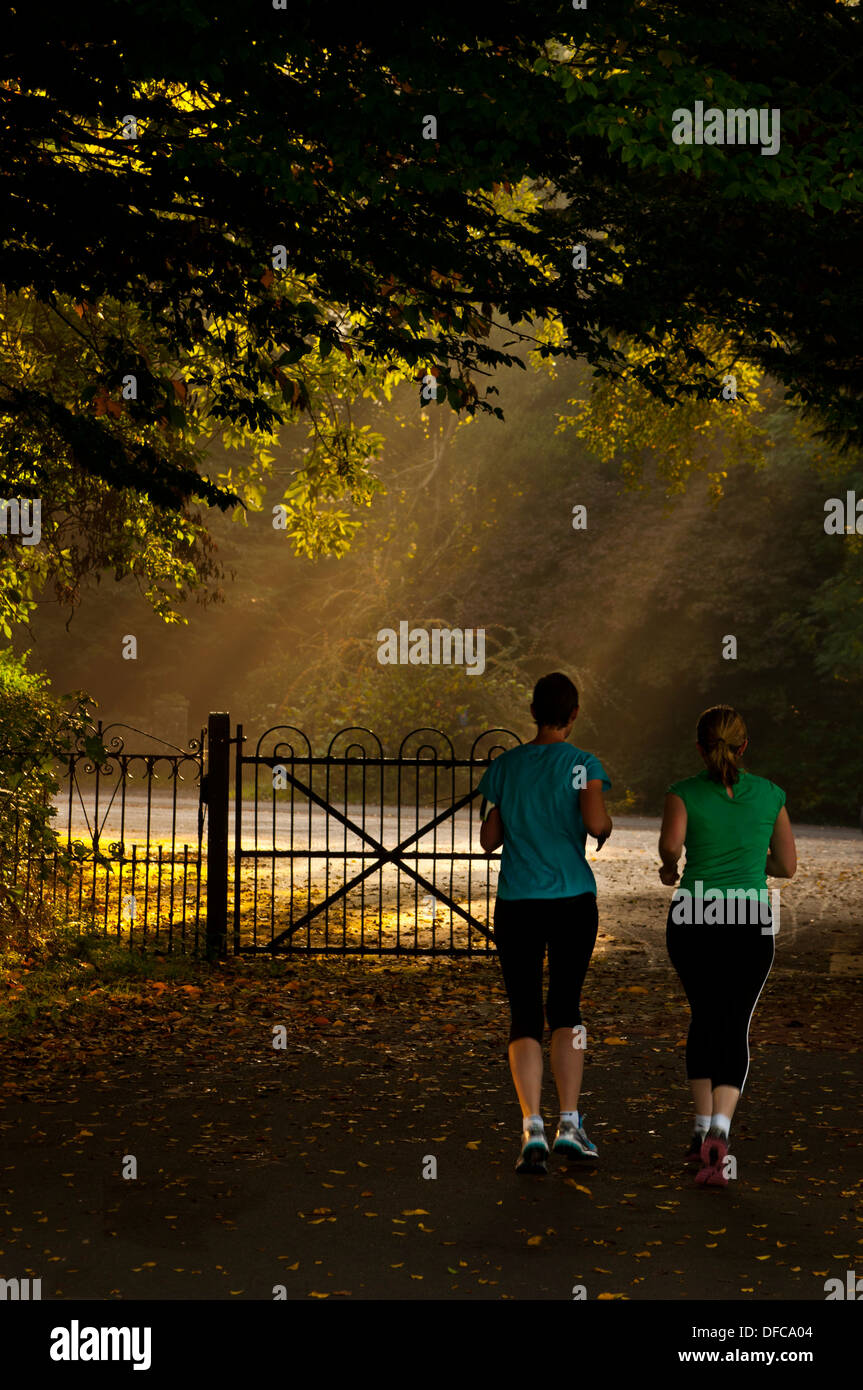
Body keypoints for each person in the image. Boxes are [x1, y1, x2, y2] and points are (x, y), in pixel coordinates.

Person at [477, 672, 613, 1175]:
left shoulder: (506, 766)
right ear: (573, 713)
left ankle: (531, 1126)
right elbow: (597, 824)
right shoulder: (583, 765)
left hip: (517, 902)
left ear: (532, 711)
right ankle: (570, 1125)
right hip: (573, 900)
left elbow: (489, 837)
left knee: (524, 1013)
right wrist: (601, 824)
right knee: (567, 1009)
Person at [659, 705, 796, 1187]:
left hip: (695, 917)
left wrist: (669, 867)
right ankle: (721, 1128)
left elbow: (672, 848)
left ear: (699, 747)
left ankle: (698, 1132)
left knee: (704, 1016)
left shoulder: (683, 793)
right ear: (744, 746)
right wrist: (750, 857)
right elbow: (786, 866)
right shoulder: (771, 795)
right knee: (735, 1022)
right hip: (749, 920)